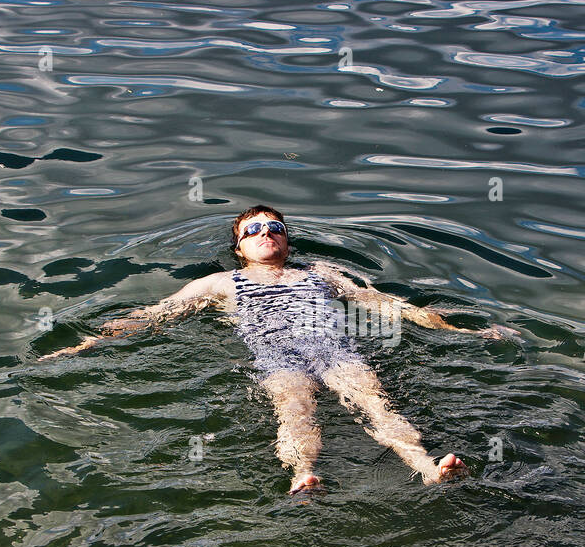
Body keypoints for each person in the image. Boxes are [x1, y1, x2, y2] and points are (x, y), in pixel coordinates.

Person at [40, 206, 521, 493]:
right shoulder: (219, 283)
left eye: (275, 227)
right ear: (239, 247)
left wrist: (465, 332)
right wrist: (86, 343)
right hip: (277, 357)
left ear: (287, 241)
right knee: (294, 414)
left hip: (336, 351)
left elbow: (388, 305)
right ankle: (304, 475)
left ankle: (428, 469)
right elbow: (155, 315)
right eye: (253, 230)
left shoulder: (322, 274)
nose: (266, 233)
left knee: (378, 407)